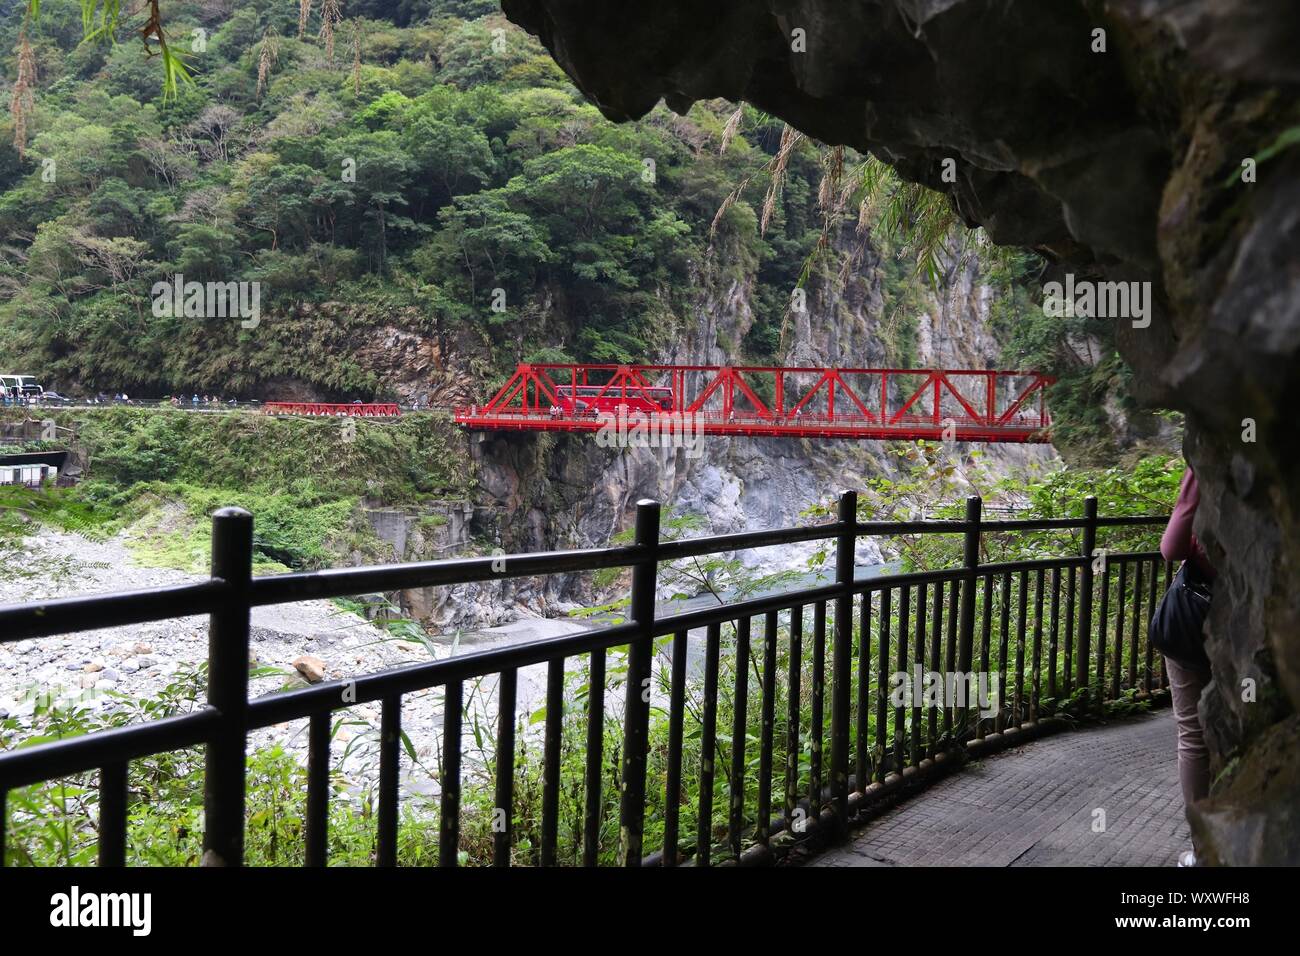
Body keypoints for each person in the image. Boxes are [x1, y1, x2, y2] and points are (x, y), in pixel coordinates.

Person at [1159, 465, 1215, 867]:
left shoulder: (1212, 452)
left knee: (1194, 735)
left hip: (1199, 620)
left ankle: (1206, 850)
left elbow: (1172, 546)